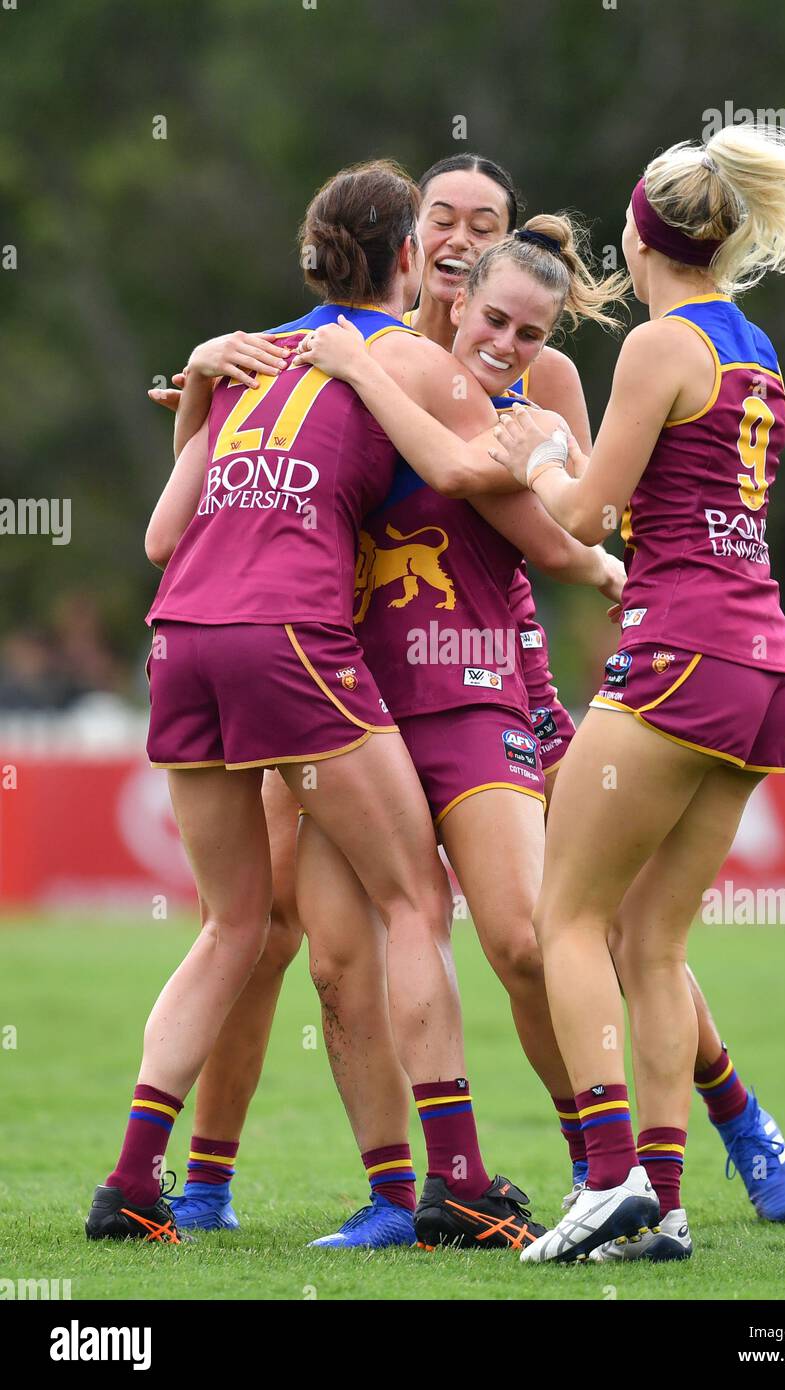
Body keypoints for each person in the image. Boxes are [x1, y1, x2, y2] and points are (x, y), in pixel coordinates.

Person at [85, 159, 547, 1249]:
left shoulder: (249, 354)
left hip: (178, 639)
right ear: (402, 259)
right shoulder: (399, 359)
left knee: (234, 924)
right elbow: (469, 468)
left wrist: (199, 384)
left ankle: (133, 1184)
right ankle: (464, 1182)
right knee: (412, 908)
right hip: (289, 641)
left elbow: (159, 541)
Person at [487, 123, 785, 1262]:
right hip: (762, 669)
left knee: (568, 916)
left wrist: (533, 450)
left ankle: (608, 1175)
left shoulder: (659, 344)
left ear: (640, 230)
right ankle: (661, 1202)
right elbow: (691, 507)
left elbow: (581, 513)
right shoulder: (755, 346)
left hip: (681, 658)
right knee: (652, 939)